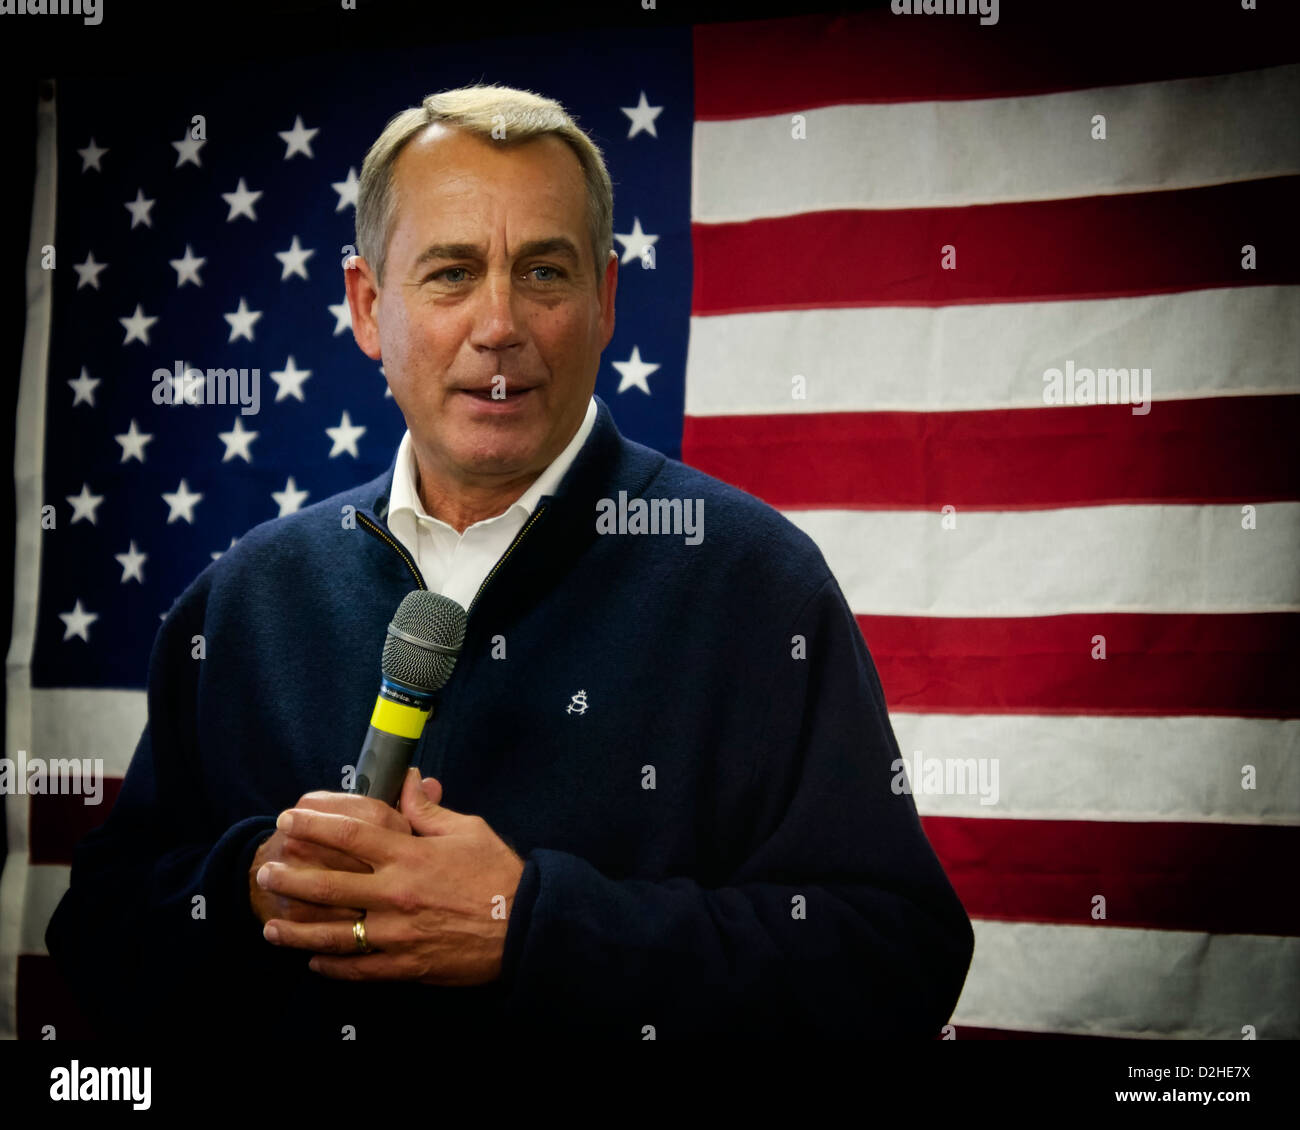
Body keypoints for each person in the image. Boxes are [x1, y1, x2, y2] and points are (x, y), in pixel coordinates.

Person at [46, 84, 974, 1040]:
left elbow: (897, 959)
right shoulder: (244, 597)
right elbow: (98, 936)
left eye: (543, 273)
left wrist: (533, 926)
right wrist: (254, 883)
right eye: (450, 273)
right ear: (368, 308)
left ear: (606, 300)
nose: (499, 324)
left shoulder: (757, 582)